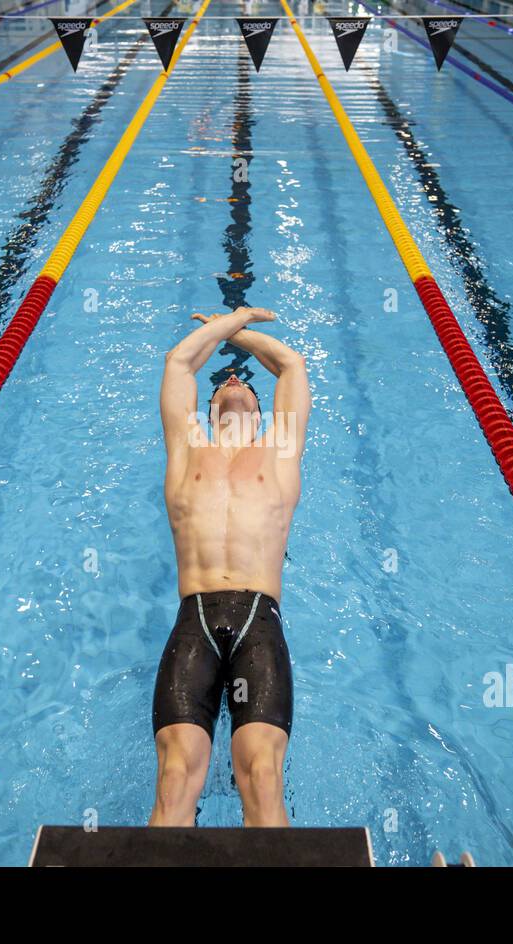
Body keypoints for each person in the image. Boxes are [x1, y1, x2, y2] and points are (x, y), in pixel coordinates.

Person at [150, 306, 310, 826]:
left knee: (262, 778)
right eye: (223, 384)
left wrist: (237, 329)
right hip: (192, 619)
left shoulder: (279, 452)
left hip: (257, 622)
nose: (237, 378)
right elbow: (179, 365)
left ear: (262, 414)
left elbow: (290, 366)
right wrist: (228, 320)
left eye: (244, 381)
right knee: (175, 779)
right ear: (209, 406)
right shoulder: (186, 449)